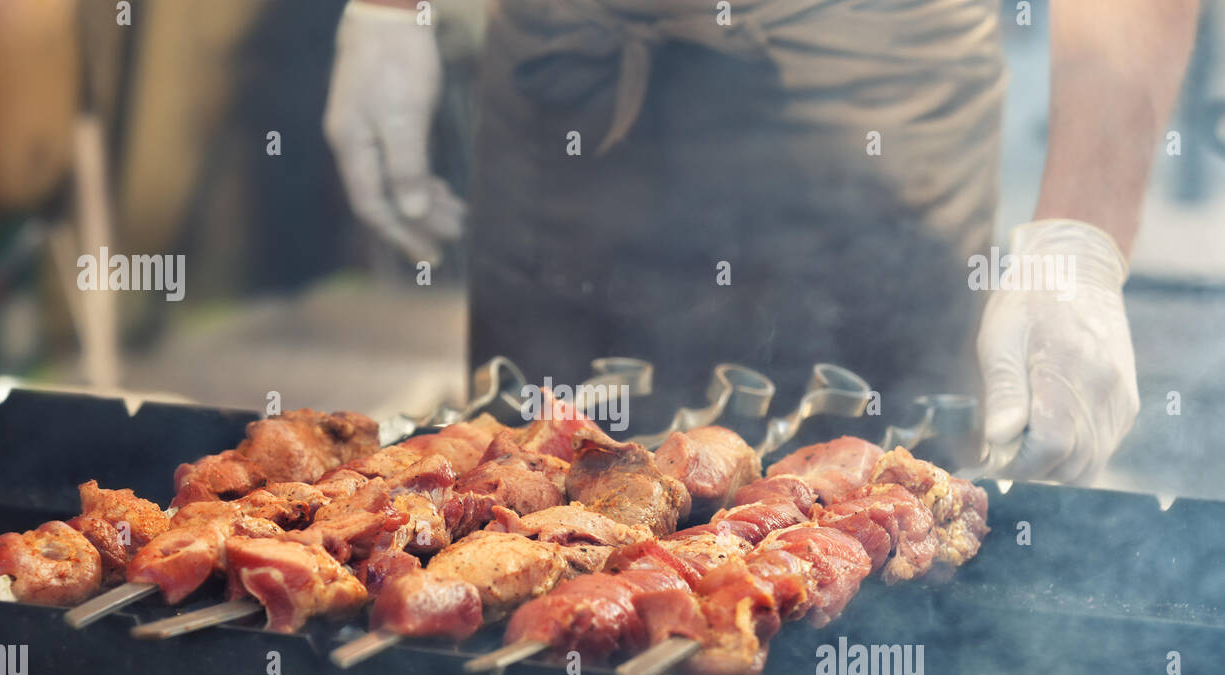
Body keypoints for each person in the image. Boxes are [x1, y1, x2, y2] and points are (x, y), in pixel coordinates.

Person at [323, 0, 1200, 484]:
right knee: (524, 481)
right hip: (572, 64)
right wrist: (393, 9)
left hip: (875, 86)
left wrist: (1080, 238)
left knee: (878, 518)